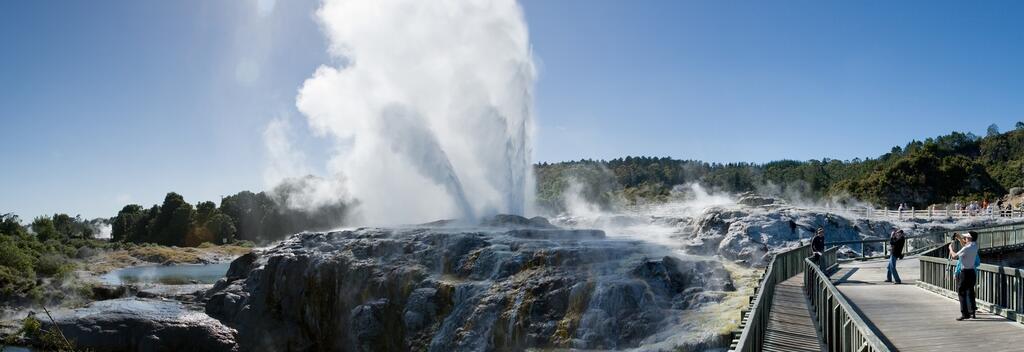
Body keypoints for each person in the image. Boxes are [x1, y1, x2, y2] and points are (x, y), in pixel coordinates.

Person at [950, 231, 980, 320]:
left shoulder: (966, 248)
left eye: (966, 237)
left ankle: (964, 314)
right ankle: (972, 311)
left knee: (961, 292)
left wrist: (950, 248)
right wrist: (959, 238)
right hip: (972, 272)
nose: (965, 238)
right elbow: (966, 246)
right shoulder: (975, 246)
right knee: (970, 291)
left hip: (965, 272)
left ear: (970, 238)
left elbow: (954, 256)